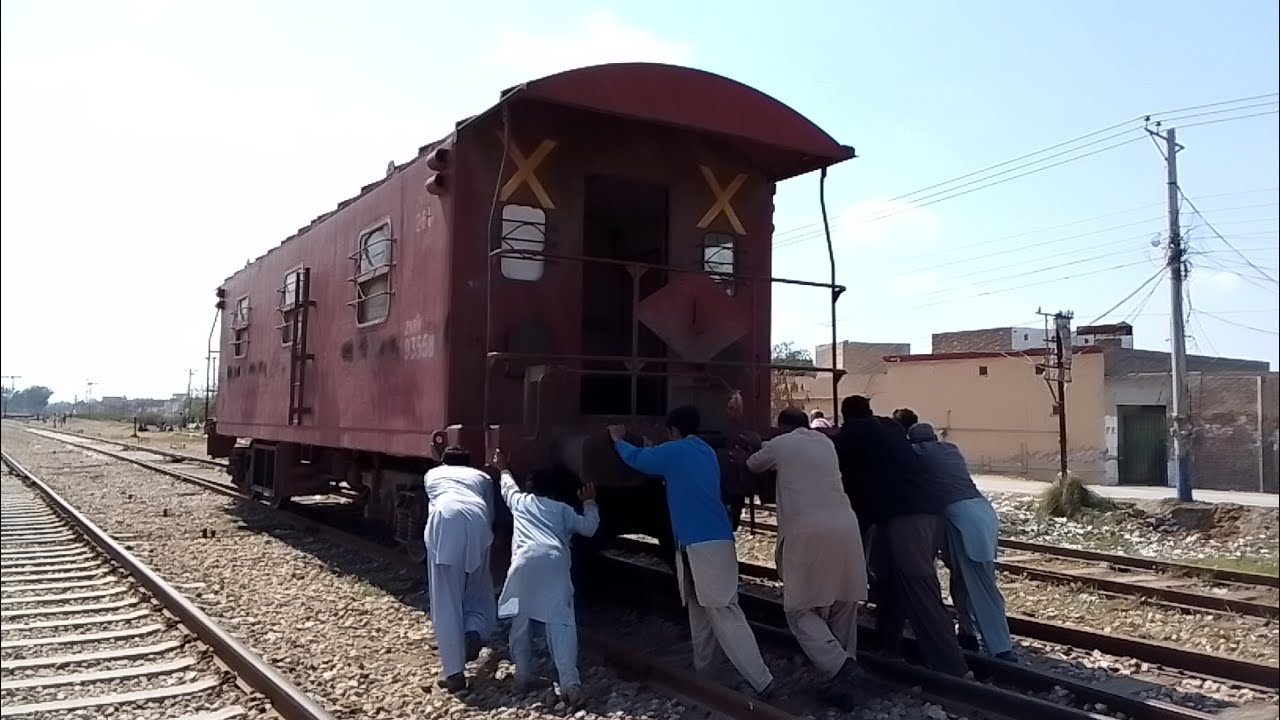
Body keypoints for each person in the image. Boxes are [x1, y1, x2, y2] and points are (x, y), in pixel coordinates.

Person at [610, 406, 775, 698]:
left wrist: (618, 439)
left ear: (672, 430)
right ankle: (706, 676)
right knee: (700, 611)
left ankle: (762, 681)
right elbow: (667, 462)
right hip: (709, 541)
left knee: (723, 611)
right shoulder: (705, 451)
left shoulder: (673, 452)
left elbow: (638, 459)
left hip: (700, 544)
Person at [833, 395, 969, 678]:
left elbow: (835, 454)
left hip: (907, 516)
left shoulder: (854, 432)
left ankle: (952, 667)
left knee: (920, 588)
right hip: (918, 513)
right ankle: (888, 642)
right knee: (890, 578)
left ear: (847, 416)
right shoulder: (890, 428)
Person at [741, 407, 867, 709]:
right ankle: (843, 686)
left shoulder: (781, 443)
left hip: (809, 532)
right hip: (847, 528)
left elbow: (753, 464)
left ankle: (840, 666)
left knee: (799, 608)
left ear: (783, 426)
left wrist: (758, 442)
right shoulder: (825, 443)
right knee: (843, 604)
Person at [491, 450, 600, 704]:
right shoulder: (561, 509)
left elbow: (507, 487)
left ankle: (522, 675)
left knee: (521, 619)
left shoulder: (520, 502)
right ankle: (570, 685)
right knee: (560, 621)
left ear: (529, 489)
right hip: (554, 562)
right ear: (551, 491)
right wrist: (590, 502)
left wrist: (503, 467)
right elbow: (589, 528)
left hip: (523, 563)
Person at [906, 422, 1016, 662]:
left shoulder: (919, 453)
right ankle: (967, 633)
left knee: (980, 584)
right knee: (962, 578)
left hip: (962, 518)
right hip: (981, 511)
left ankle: (1001, 647)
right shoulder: (951, 449)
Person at [423, 446, 499, 692]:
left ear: (444, 462)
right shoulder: (482, 478)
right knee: (478, 587)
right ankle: (475, 631)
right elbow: (491, 513)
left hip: (447, 519)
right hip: (479, 520)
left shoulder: (433, 474)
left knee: (446, 598)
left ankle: (453, 672)